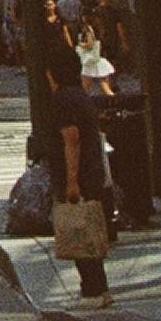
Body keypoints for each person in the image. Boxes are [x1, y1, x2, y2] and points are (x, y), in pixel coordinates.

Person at [45, 35, 112, 305]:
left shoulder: (63, 99)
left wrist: (71, 182)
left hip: (78, 176)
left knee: (79, 232)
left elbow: (70, 139)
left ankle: (93, 290)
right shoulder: (81, 96)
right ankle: (97, 288)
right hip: (92, 172)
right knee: (89, 229)